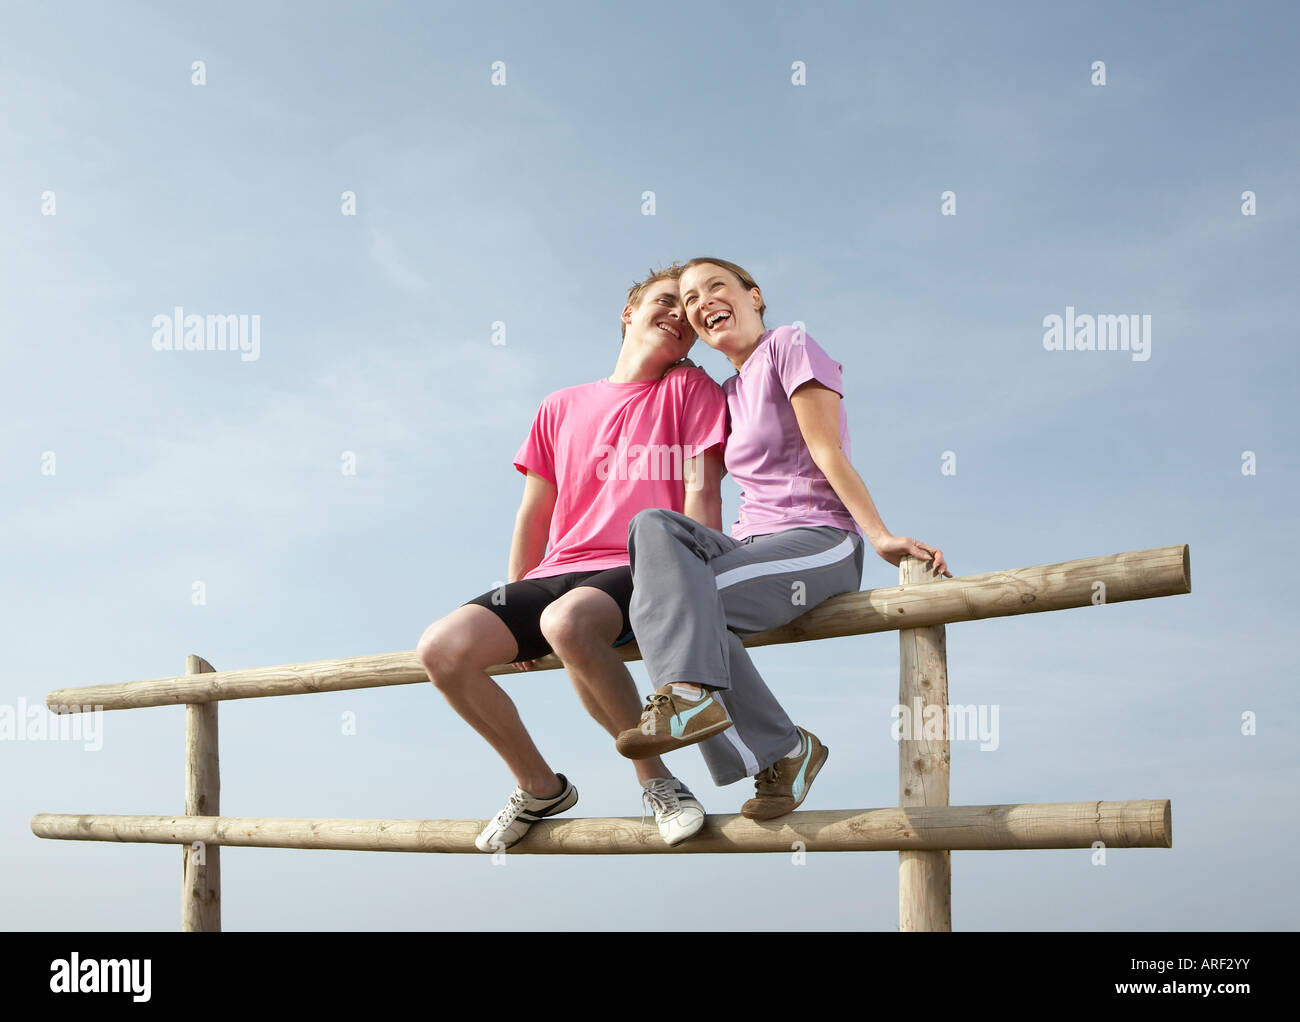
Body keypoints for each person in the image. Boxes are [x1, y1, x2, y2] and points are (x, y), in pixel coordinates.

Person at [615, 257, 951, 821]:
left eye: (714, 287)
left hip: (819, 536)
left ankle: (718, 716)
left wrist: (880, 535)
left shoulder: (790, 345)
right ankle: (784, 748)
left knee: (683, 613)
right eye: (690, 300)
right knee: (654, 530)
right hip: (751, 545)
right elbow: (696, 482)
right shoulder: (725, 393)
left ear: (754, 296)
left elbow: (826, 450)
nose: (700, 303)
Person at [416, 264, 728, 852]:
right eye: (663, 301)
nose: (676, 316)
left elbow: (701, 491)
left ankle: (656, 779)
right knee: (443, 648)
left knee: (568, 623)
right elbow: (535, 511)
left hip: (646, 562)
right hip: (555, 571)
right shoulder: (559, 405)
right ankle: (538, 786)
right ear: (628, 312)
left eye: (686, 315)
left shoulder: (690, 390)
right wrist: (516, 596)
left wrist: (700, 580)